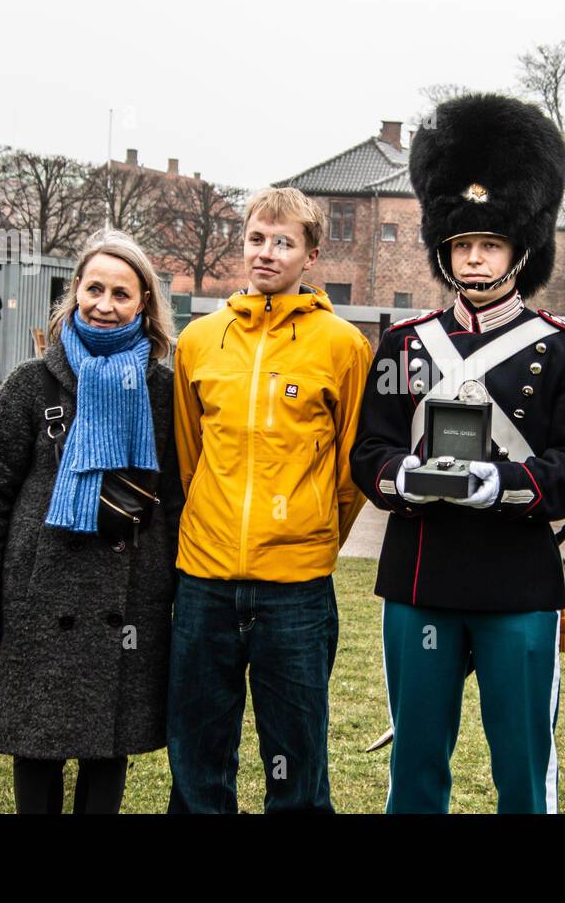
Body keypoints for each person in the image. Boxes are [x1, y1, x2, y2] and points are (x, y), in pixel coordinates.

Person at [351, 93, 565, 814]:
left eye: (489, 244)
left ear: (520, 251)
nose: (474, 257)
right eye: (462, 245)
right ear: (444, 249)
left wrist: (504, 485)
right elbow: (369, 449)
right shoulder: (405, 345)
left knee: (523, 771)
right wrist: (401, 475)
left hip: (518, 585)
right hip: (421, 579)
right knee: (416, 768)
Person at [0, 228, 183, 814]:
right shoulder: (33, 383)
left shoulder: (164, 390)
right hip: (38, 590)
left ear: (144, 305)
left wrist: (182, 587)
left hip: (130, 595)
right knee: (37, 744)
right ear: (74, 292)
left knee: (109, 750)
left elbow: (180, 495)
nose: (105, 305)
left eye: (122, 294)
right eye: (94, 288)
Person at [166, 186, 372, 813]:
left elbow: (351, 470)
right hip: (204, 580)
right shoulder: (199, 340)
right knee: (199, 756)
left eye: (284, 242)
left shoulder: (342, 346)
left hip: (297, 588)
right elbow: (188, 454)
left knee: (297, 759)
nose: (267, 252)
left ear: (311, 255)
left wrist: (309, 536)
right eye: (257, 237)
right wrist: (214, 525)